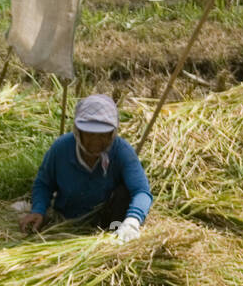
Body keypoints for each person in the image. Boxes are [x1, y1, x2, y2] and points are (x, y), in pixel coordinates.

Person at [19, 94, 152, 243]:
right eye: (89, 134)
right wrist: (38, 210)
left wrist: (132, 221)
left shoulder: (121, 151)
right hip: (68, 221)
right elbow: (44, 184)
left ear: (113, 133)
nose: (96, 141)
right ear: (78, 131)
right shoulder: (61, 149)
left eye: (103, 135)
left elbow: (141, 191)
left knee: (124, 193)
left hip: (108, 222)